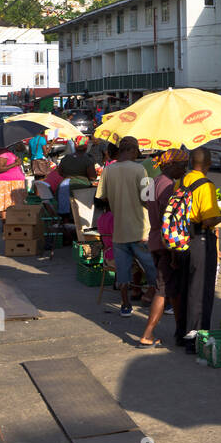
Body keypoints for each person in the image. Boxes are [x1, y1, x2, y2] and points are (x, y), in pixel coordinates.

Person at [95, 136, 157, 318]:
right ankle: (163, 300)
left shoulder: (108, 170)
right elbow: (148, 198)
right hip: (140, 229)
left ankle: (125, 305)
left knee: (123, 270)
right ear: (131, 150)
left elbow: (102, 197)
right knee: (152, 268)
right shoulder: (139, 169)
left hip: (119, 230)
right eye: (137, 150)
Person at [179, 146, 221, 349]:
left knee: (187, 288)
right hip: (200, 239)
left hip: (184, 240)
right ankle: (197, 339)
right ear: (208, 164)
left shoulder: (182, 181)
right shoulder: (206, 185)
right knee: (201, 291)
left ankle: (183, 334)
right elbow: (209, 220)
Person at [138, 149, 189, 346]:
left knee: (171, 287)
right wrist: (174, 252)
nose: (184, 171)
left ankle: (180, 329)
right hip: (165, 243)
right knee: (162, 288)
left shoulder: (155, 181)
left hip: (154, 239)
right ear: (171, 165)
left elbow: (146, 201)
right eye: (182, 167)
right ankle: (147, 334)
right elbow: (168, 219)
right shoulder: (168, 186)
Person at [0, 149, 28, 216]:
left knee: (16, 206)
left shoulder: (9, 152)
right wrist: (15, 163)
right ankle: (6, 224)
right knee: (4, 206)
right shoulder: (2, 152)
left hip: (14, 182)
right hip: (7, 183)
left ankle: (12, 224)